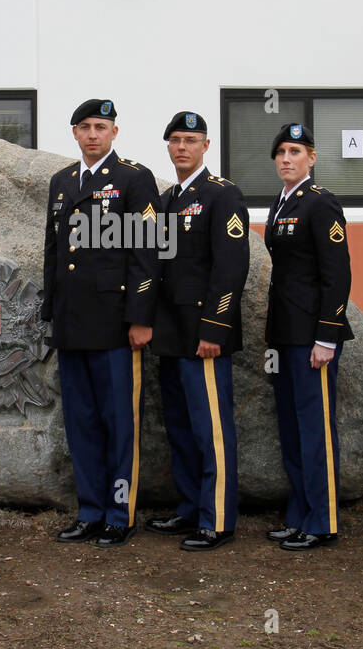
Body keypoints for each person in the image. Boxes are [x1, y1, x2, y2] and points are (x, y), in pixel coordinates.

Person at [42, 98, 160, 548]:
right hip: (73, 323)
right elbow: (55, 252)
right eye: (85, 127)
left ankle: (119, 512)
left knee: (119, 422)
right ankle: (89, 510)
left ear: (115, 132)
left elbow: (147, 253)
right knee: (82, 422)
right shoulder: (61, 181)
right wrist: (50, 312)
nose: (93, 134)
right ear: (74, 133)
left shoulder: (134, 178)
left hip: (116, 324)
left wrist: (141, 318)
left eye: (101, 127)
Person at [147, 112, 249, 551]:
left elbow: (231, 267)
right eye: (175, 140)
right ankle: (190, 508)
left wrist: (216, 327)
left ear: (206, 145)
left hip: (204, 334)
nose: (182, 147)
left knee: (211, 429)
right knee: (181, 428)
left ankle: (218, 518)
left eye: (191, 140)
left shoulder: (221, 195)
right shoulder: (168, 199)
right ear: (167, 146)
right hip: (171, 335)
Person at [263, 123, 352, 550]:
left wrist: (327, 336)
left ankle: (322, 521)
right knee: (294, 429)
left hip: (312, 338)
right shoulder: (282, 203)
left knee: (316, 429)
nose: (286, 158)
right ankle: (300, 514)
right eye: (280, 152)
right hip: (285, 334)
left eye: (295, 151)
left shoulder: (320, 203)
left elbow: (337, 276)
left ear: (311, 158)